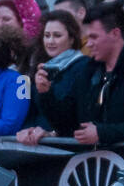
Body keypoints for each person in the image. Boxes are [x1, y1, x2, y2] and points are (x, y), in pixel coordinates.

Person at [38, 1, 124, 145]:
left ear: (115, 34)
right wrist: (46, 93)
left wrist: (102, 133)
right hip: (93, 162)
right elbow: (69, 124)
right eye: (87, 38)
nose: (88, 44)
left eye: (94, 37)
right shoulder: (89, 70)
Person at [16, 10, 87, 143]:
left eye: (57, 35)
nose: (50, 41)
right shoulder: (40, 67)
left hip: (67, 145)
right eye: (47, 35)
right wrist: (28, 129)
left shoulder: (83, 67)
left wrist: (53, 133)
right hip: (36, 144)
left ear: (71, 39)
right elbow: (30, 110)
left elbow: (76, 115)